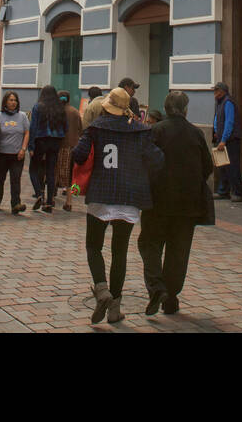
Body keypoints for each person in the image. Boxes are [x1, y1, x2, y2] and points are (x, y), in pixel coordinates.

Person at [72, 88, 163, 324]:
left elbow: (79, 155)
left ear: (106, 105)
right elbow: (157, 160)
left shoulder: (96, 128)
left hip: (102, 193)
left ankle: (101, 291)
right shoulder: (141, 131)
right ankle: (116, 307)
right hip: (129, 196)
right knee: (119, 252)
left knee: (93, 246)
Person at [139, 91, 213, 316]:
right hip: (188, 204)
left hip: (158, 202)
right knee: (178, 251)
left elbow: (145, 162)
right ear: (186, 109)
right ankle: (171, 297)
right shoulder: (196, 133)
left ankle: (156, 287)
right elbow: (207, 167)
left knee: (149, 244)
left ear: (165, 108)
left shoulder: (156, 131)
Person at [29, 85, 67, 213]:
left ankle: (39, 194)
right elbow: (65, 126)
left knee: (34, 169)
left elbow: (33, 127)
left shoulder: (38, 106)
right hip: (55, 141)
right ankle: (50, 201)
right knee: (51, 171)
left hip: (41, 139)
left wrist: (31, 145)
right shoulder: (60, 108)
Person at [0, 91, 29, 214]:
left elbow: (27, 133)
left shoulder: (22, 116)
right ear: (5, 102)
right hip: (2, 153)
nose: (13, 103)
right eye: (10, 100)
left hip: (17, 154)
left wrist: (23, 149)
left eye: (15, 100)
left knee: (15, 179)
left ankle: (16, 204)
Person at [211, 81, 242, 202]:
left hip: (231, 140)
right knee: (222, 167)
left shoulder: (228, 102)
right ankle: (223, 191)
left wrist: (224, 139)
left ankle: (237, 192)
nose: (214, 93)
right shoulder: (219, 102)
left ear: (222, 91)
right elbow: (216, 118)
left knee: (232, 166)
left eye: (216, 91)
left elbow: (229, 122)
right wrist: (215, 132)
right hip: (221, 138)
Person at [56, 89, 83, 212]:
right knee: (73, 174)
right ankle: (70, 200)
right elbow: (80, 129)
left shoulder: (57, 112)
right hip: (75, 146)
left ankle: (51, 197)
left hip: (61, 146)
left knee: (59, 172)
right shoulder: (75, 112)